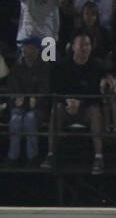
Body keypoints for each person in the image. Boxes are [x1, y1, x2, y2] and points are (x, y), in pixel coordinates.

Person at [43, 33, 111, 174]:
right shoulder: (62, 66)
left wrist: (81, 102)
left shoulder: (96, 66)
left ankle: (99, 157)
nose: (85, 48)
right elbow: (55, 91)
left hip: (86, 110)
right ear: (73, 47)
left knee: (95, 111)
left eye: (87, 45)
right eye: (81, 45)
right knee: (56, 109)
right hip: (66, 109)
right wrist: (67, 101)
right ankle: (50, 155)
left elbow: (97, 94)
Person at [6, 37, 52, 165]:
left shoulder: (44, 67)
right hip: (20, 106)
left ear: (37, 50)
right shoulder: (16, 68)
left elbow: (44, 90)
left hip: (38, 108)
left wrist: (36, 99)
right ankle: (12, 157)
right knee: (15, 119)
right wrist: (16, 98)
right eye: (25, 47)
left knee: (30, 119)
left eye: (30, 47)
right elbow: (12, 88)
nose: (26, 50)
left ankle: (32, 157)